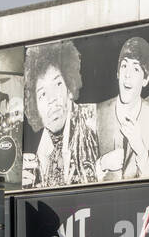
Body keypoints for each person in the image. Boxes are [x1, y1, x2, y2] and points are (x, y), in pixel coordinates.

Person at [23, 40, 102, 187]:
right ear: (35, 107)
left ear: (69, 89)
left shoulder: (95, 121)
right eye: (43, 94)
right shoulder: (37, 154)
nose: (52, 99)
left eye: (58, 84)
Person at [95, 36, 149, 178]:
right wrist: (102, 164)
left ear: (145, 80)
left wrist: (140, 149)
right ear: (118, 73)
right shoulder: (98, 112)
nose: (128, 75)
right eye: (124, 66)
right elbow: (79, 173)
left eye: (136, 69)